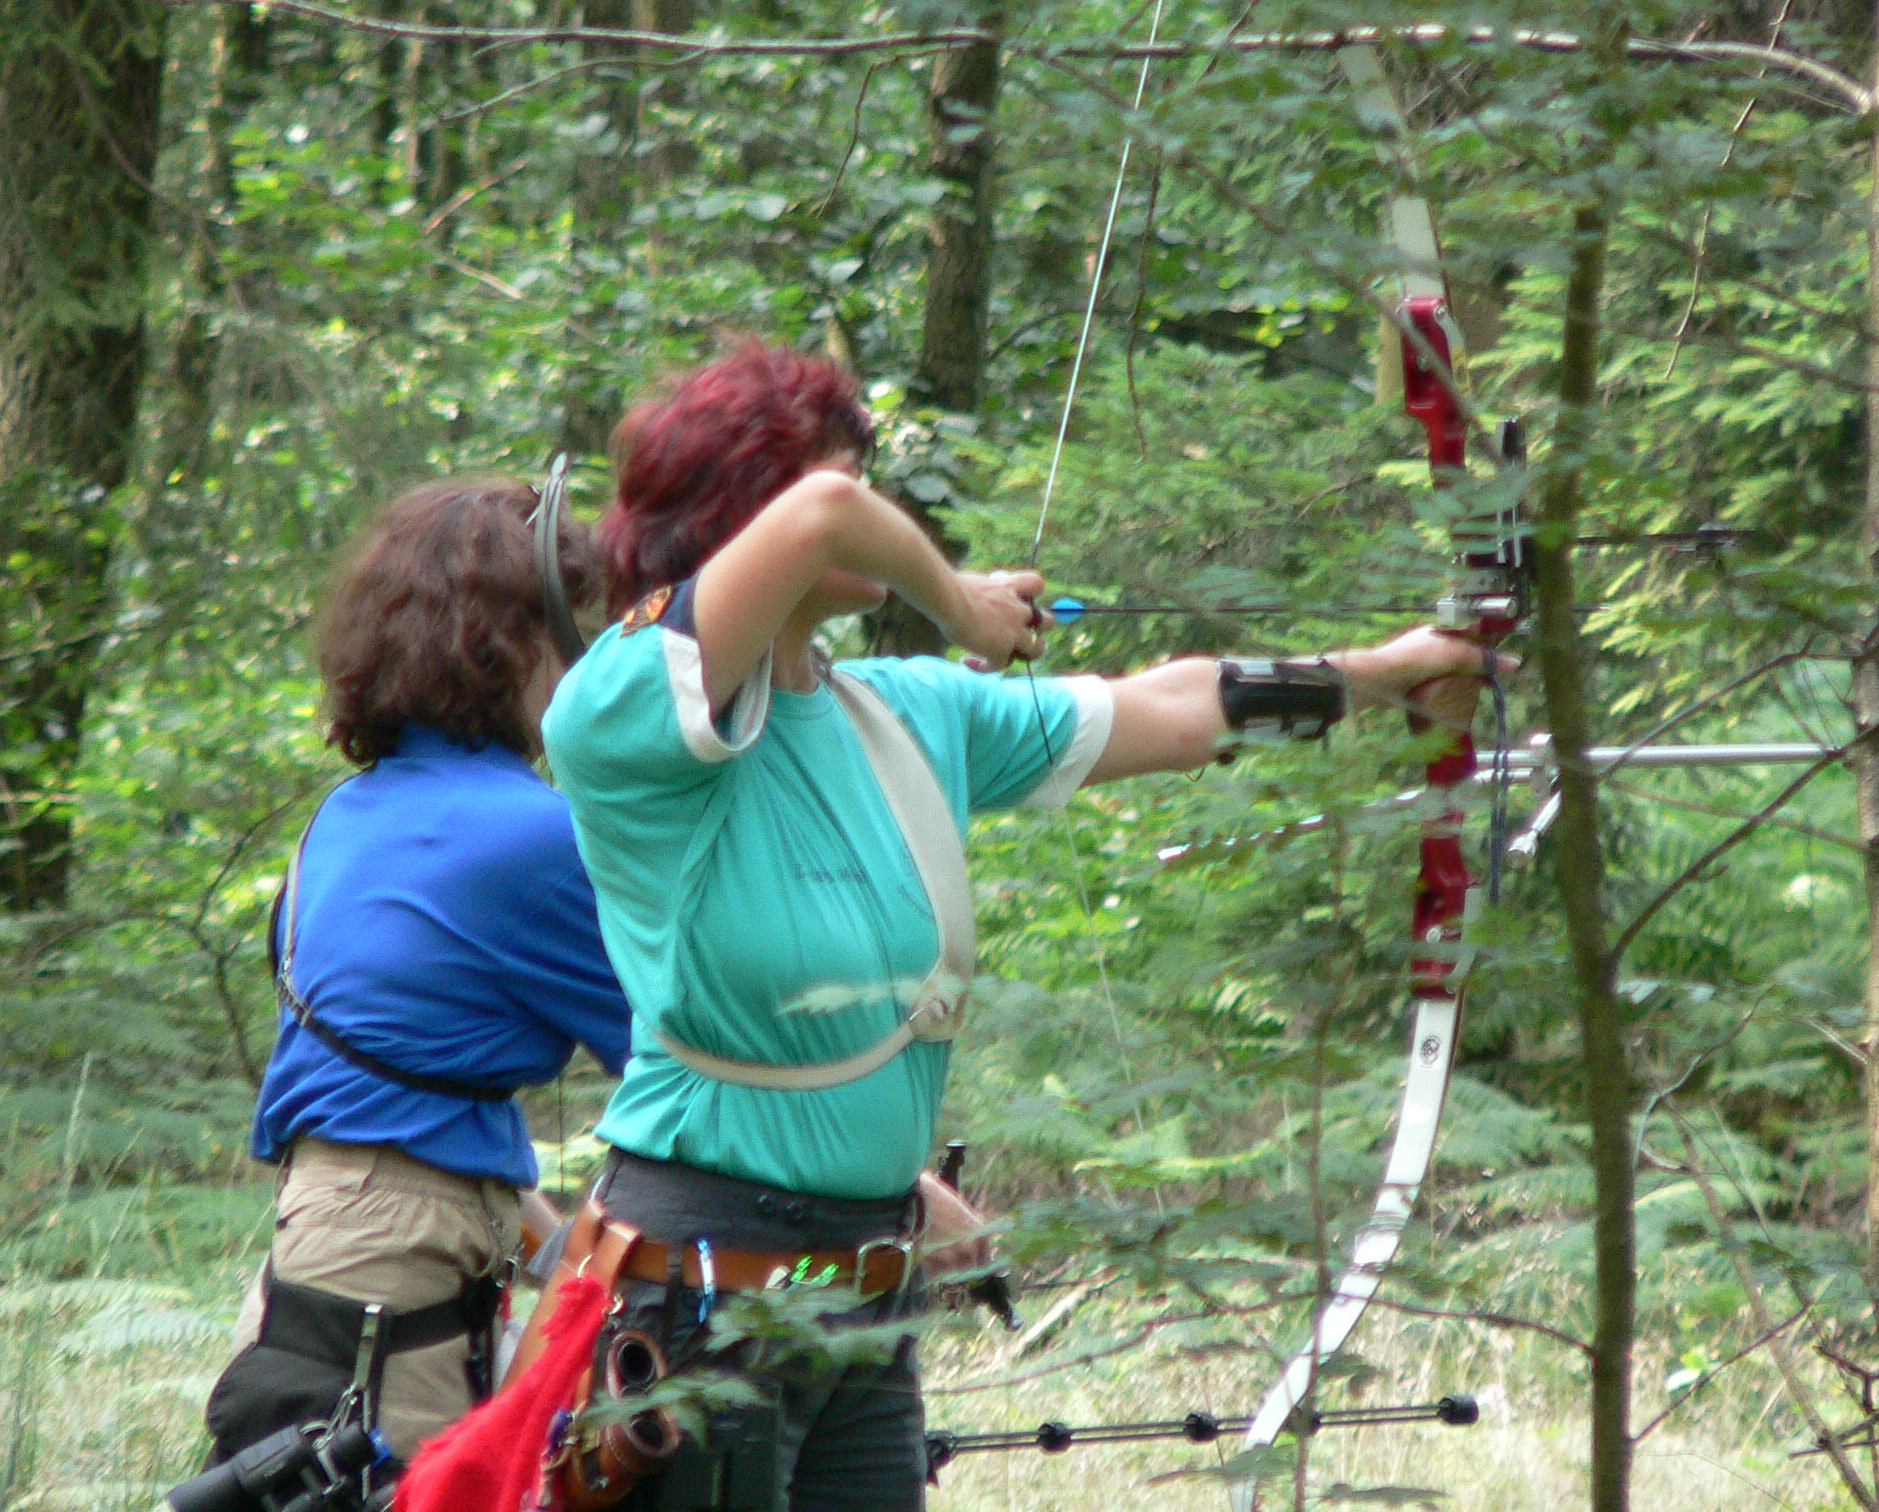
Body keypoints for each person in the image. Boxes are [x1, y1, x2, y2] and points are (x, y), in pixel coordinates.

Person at [536, 340, 1491, 1512]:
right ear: (742, 506)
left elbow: (1170, 706)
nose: (870, 501)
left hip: (865, 1302)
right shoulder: (620, 707)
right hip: (699, 1295)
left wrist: (1393, 672)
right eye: (846, 473)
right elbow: (827, 515)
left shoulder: (901, 713)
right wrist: (964, 602)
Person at [200, 478, 635, 1473]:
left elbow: (396, 1103)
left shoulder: (345, 817)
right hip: (393, 1296)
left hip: (320, 1257)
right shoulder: (533, 835)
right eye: (571, 629)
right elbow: (697, 1063)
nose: (588, 664)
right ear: (508, 641)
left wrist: (555, 1250)